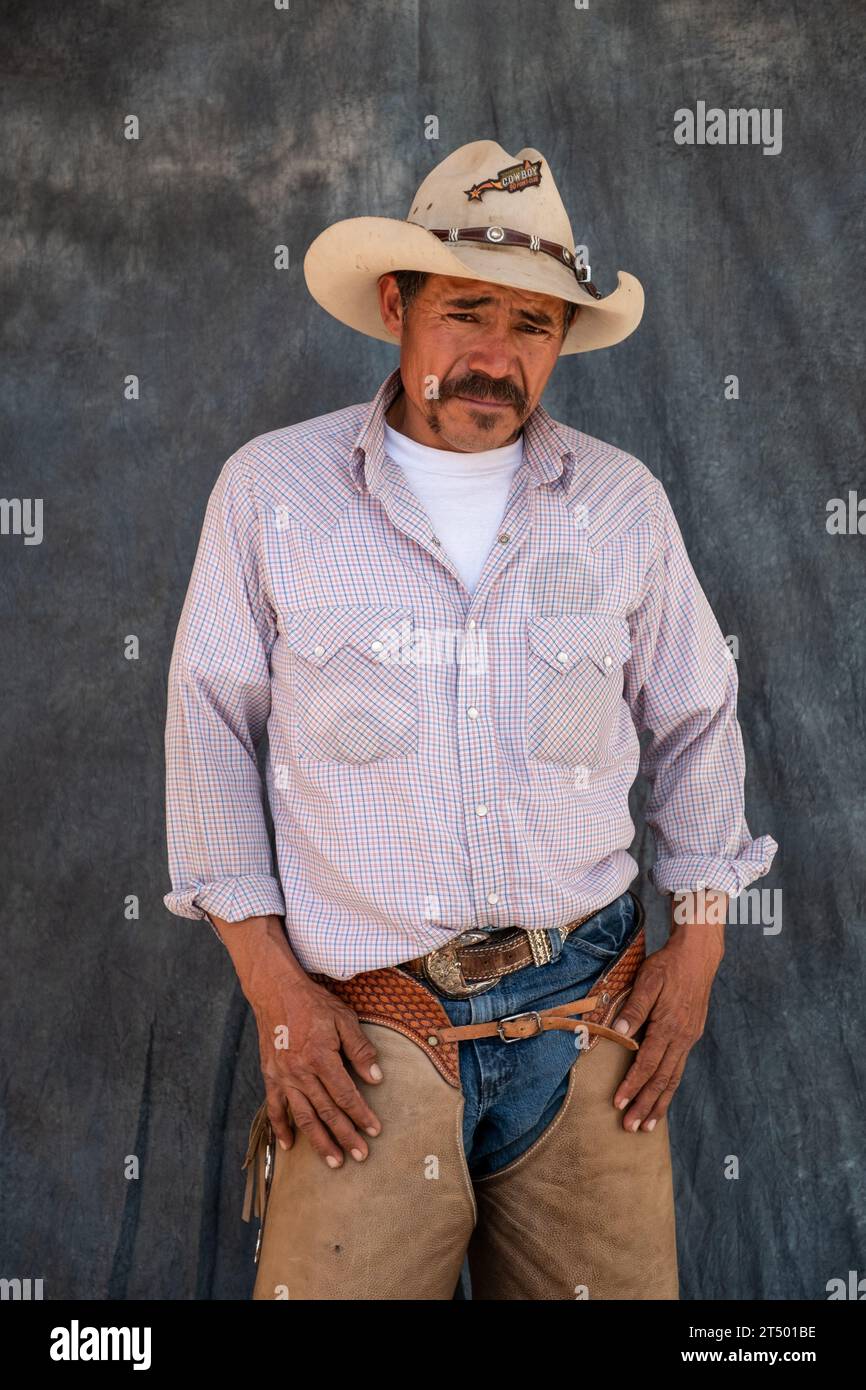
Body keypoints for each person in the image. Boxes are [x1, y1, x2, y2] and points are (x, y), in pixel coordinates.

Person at [163, 139, 778, 1300]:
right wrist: (272, 989)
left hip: (591, 1020)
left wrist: (694, 946)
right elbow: (205, 727)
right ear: (395, 306)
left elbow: (698, 716)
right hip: (363, 1029)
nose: (496, 356)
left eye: (534, 325)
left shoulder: (617, 504)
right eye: (467, 312)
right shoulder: (271, 494)